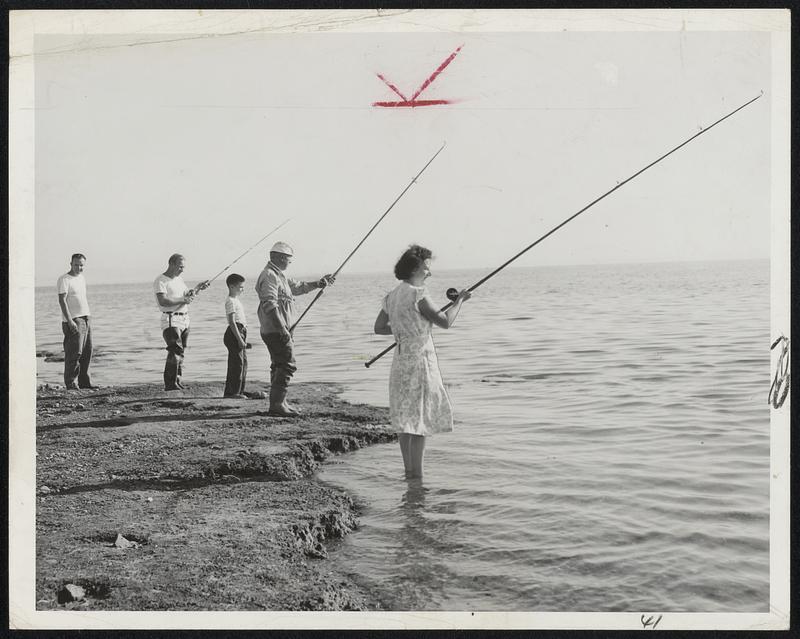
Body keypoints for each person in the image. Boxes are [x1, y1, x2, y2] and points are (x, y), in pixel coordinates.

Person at [373, 244, 471, 479]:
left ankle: (410, 475)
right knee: (418, 419)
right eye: (426, 267)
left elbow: (379, 328)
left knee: (405, 420)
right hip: (419, 362)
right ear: (416, 268)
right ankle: (417, 478)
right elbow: (446, 322)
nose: (429, 272)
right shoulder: (418, 294)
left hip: (400, 361)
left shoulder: (391, 296)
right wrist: (460, 301)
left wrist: (406, 330)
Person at [255, 241, 335, 416]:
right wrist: (282, 329)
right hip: (276, 330)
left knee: (278, 364)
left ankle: (279, 402)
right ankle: (277, 405)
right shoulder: (269, 275)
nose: (290, 263)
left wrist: (319, 283)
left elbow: (299, 287)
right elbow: (269, 304)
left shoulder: (280, 275)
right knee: (287, 364)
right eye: (289, 260)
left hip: (280, 328)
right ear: (279, 257)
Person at [154, 254, 209, 391]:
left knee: (181, 351)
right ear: (171, 264)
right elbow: (163, 301)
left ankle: (177, 381)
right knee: (175, 350)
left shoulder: (179, 280)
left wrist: (197, 288)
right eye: (180, 266)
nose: (182, 269)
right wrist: (183, 300)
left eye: (183, 267)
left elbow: (187, 296)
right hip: (171, 319)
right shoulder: (161, 281)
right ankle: (170, 384)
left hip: (184, 318)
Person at [57, 253, 97, 390]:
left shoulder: (81, 278)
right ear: (71, 264)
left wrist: (88, 317)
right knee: (74, 352)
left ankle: (85, 382)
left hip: (86, 317)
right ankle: (70, 383)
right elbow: (62, 301)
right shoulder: (64, 279)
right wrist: (69, 321)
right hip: (74, 320)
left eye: (81, 265)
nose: (79, 267)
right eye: (76, 264)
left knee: (87, 351)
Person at [223, 273, 250, 398]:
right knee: (236, 364)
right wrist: (239, 339)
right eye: (240, 287)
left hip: (241, 330)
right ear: (232, 287)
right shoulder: (230, 301)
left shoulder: (236, 300)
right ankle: (231, 392)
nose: (242, 289)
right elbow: (232, 321)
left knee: (243, 362)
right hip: (235, 332)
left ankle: (240, 390)